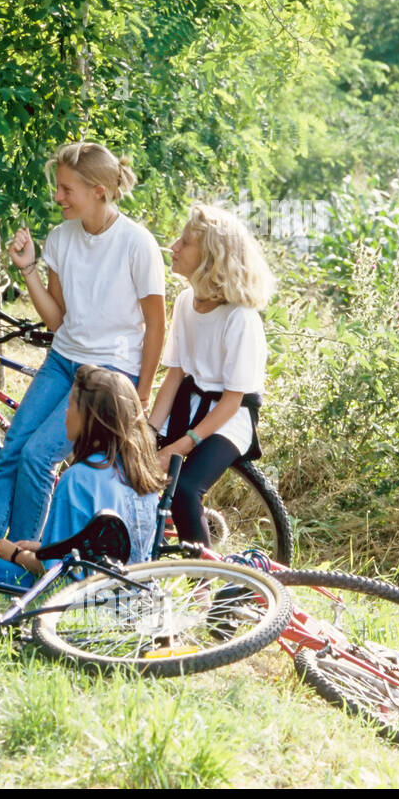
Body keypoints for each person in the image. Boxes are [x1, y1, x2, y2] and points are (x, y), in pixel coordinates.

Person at [0, 141, 165, 557]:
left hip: (109, 372)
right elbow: (58, 320)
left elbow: (158, 326)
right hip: (63, 359)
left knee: (38, 455)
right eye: (58, 187)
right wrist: (28, 269)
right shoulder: (60, 237)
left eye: (67, 189)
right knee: (13, 448)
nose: (58, 197)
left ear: (99, 191)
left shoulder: (136, 243)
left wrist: (142, 391)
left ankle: (24, 559)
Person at [0, 365, 165, 586]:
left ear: (91, 420)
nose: (65, 412)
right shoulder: (144, 477)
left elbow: (53, 570)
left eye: (71, 406)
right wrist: (42, 548)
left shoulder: (78, 479)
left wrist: (14, 554)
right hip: (127, 590)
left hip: (69, 592)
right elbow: (101, 548)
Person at [146, 204, 274, 546]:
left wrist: (177, 448)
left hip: (228, 417)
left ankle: (202, 592)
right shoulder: (186, 302)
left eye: (184, 242)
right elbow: (175, 376)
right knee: (137, 465)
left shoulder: (240, 319)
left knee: (185, 489)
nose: (173, 246)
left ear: (210, 257)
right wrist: (148, 432)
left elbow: (232, 402)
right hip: (189, 404)